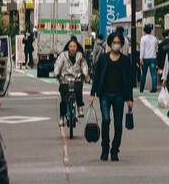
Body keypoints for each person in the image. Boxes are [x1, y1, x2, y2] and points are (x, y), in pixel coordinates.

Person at [90, 29, 134, 162]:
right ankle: (105, 148)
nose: (116, 44)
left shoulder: (126, 60)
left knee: (118, 125)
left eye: (118, 42)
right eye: (114, 42)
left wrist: (129, 99)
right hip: (105, 94)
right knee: (106, 120)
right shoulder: (103, 58)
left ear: (121, 44)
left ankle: (115, 150)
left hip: (120, 95)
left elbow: (129, 81)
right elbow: (97, 77)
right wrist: (92, 93)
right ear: (110, 43)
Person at [53, 37, 89, 125]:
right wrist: (57, 74)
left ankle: (80, 107)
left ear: (77, 47)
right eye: (71, 46)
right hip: (65, 80)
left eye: (74, 46)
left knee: (79, 89)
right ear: (68, 47)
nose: (72, 48)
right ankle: (61, 117)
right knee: (64, 100)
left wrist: (85, 74)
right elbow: (57, 65)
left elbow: (84, 65)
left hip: (76, 79)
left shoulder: (80, 56)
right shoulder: (63, 55)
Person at [139, 24, 158, 93]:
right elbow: (156, 49)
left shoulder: (143, 38)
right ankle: (154, 88)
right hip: (153, 57)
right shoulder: (154, 38)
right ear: (151, 31)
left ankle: (141, 88)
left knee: (143, 74)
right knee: (153, 74)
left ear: (144, 31)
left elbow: (142, 49)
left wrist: (141, 58)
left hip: (145, 58)